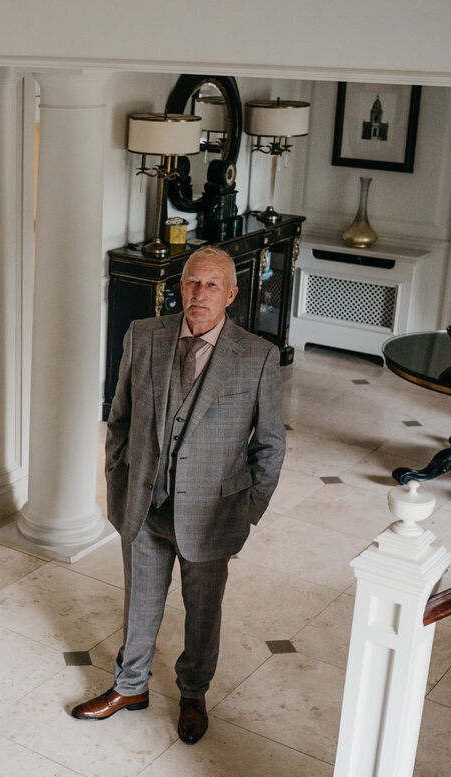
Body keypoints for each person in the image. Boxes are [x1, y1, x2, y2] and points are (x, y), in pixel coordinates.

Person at [71, 245, 285, 745]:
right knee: (140, 602)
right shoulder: (143, 335)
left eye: (212, 285)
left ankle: (193, 693)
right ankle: (130, 687)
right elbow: (118, 416)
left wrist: (248, 510)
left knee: (203, 612)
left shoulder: (258, 356)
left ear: (231, 294)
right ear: (179, 286)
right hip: (145, 504)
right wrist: (119, 479)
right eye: (192, 282)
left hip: (214, 514)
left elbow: (271, 446)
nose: (199, 293)